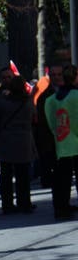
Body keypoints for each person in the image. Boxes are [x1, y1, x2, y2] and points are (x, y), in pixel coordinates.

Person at [0, 74, 36, 214]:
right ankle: (24, 202)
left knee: (6, 175)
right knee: (23, 175)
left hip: (6, 140)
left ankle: (7, 204)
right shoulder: (28, 102)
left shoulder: (4, 102)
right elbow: (33, 116)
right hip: (24, 141)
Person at [44, 63, 78, 220]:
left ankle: (61, 207)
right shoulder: (75, 96)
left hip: (60, 143)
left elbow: (51, 123)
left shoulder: (50, 100)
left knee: (61, 179)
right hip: (74, 141)